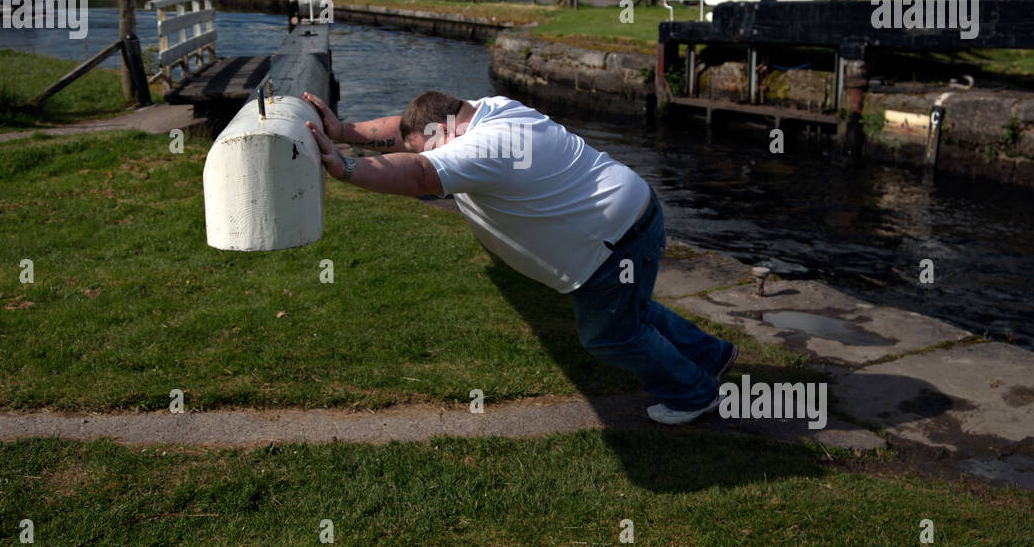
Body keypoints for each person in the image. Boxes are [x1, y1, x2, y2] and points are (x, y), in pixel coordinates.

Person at [301, 89, 736, 424]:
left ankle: (694, 395)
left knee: (610, 334)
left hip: (610, 242)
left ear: (445, 132)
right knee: (630, 308)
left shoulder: (484, 147)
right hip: (632, 214)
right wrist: (343, 132)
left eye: (428, 147)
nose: (429, 156)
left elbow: (417, 173)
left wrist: (347, 167)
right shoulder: (488, 107)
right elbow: (408, 127)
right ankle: (711, 356)